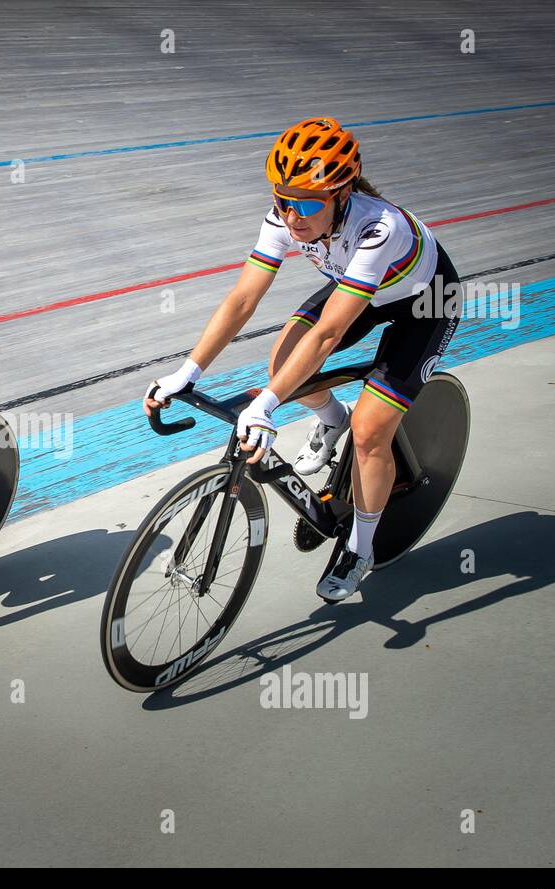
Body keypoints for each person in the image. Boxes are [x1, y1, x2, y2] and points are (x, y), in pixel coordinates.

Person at [144, 118, 461, 602]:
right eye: (282, 199)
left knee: (372, 430)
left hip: (424, 304)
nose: (293, 216)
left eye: (308, 203)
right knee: (284, 361)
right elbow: (242, 300)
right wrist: (186, 372)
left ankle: (360, 548)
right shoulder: (285, 215)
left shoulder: (378, 227)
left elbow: (331, 331)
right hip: (365, 289)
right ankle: (332, 419)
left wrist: (267, 406)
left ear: (342, 193)